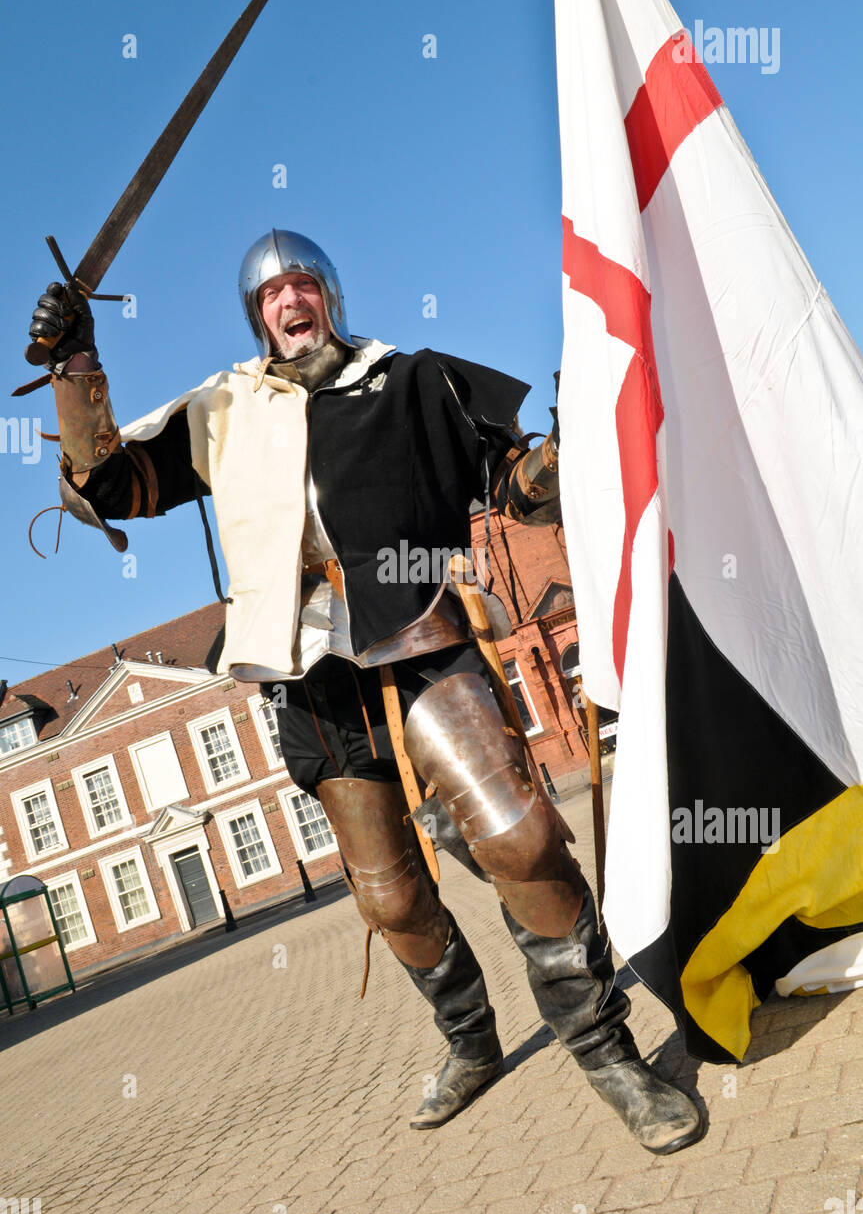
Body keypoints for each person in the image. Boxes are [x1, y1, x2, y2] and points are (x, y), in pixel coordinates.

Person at [27, 230, 704, 1153]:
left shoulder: (413, 378)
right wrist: (75, 367)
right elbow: (112, 480)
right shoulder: (222, 408)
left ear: (328, 296)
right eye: (268, 297)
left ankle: (604, 1050)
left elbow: (515, 481)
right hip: (306, 676)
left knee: (519, 833)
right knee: (387, 898)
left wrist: (559, 455)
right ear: (255, 319)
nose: (286, 303)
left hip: (417, 637)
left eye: (299, 286)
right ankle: (469, 1042)